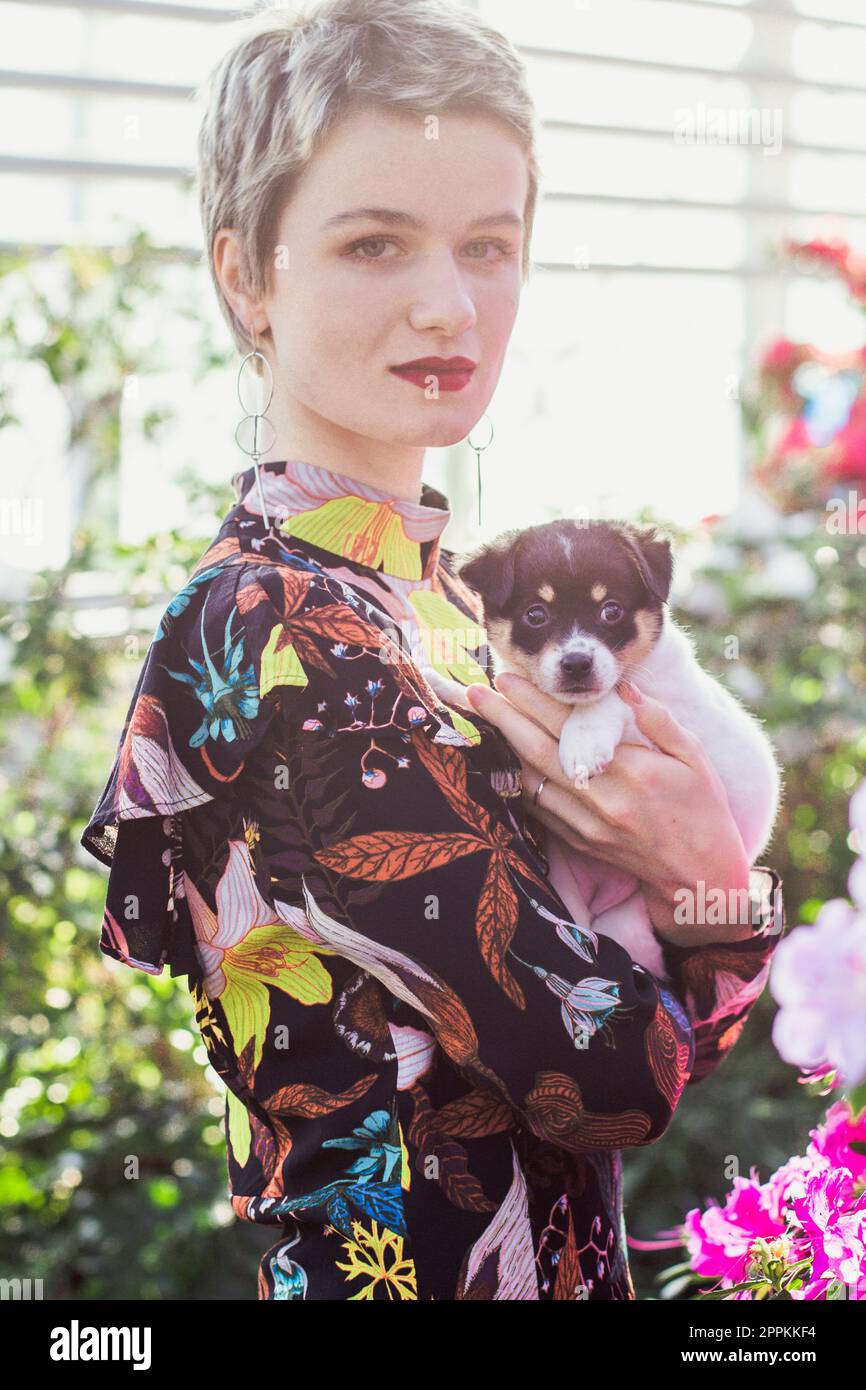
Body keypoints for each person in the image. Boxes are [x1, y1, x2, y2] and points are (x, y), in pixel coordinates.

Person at [80, 0, 786, 1301]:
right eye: (372, 243)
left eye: (487, 245)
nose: (448, 303)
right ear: (245, 273)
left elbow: (667, 1024)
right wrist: (704, 870)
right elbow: (615, 1072)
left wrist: (702, 908)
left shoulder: (454, 607)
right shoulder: (268, 627)